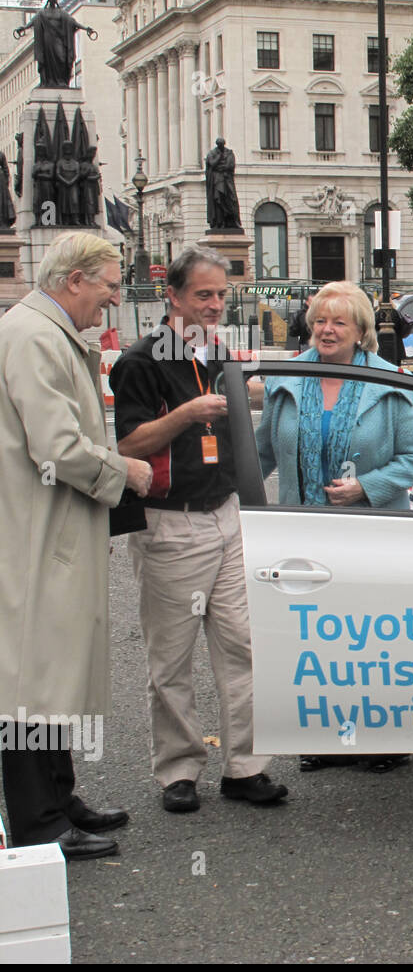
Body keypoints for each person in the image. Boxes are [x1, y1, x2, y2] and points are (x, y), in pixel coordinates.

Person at [109, 245, 289, 813]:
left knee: (243, 647)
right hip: (171, 521)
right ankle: (179, 770)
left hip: (226, 515)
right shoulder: (140, 361)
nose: (214, 305)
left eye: (221, 295)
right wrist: (186, 414)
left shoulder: (219, 351)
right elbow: (128, 445)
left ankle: (245, 767)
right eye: (203, 295)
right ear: (173, 296)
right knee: (172, 658)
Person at [0, 232, 153, 859]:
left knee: (51, 672)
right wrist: (124, 471)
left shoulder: (44, 331)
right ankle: (39, 822)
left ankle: (59, 802)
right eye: (110, 286)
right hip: (37, 534)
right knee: (30, 681)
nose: (115, 298)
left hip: (49, 526)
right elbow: (58, 447)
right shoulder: (35, 336)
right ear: (74, 281)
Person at [256, 280, 413, 774]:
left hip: (373, 534)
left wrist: (365, 487)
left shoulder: (389, 381)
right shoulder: (287, 379)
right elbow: (262, 452)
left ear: (360, 331)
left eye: (338, 322)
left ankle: (382, 737)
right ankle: (327, 736)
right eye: (319, 320)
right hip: (305, 530)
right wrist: (228, 496)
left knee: (372, 637)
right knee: (318, 637)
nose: (326, 330)